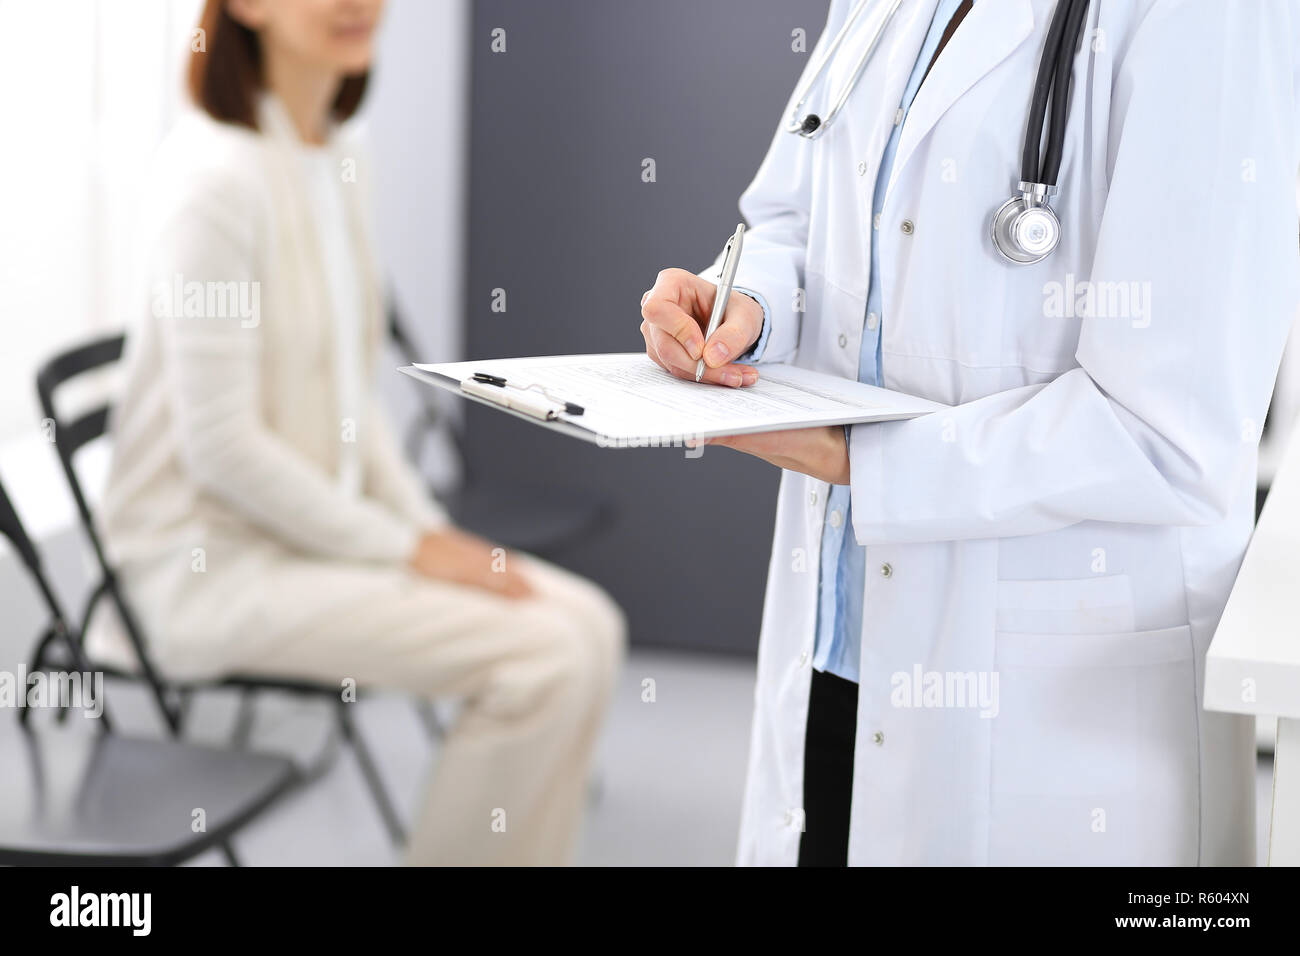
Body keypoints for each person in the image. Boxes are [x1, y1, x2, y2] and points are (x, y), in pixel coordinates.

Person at [640, 0, 1300, 865]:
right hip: (837, 646)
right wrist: (747, 309)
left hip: (1043, 711)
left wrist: (862, 459)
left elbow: (1171, 435)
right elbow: (796, 215)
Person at [89, 0, 624, 866]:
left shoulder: (337, 160)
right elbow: (222, 451)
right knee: (545, 659)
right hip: (209, 569)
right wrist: (407, 551)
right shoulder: (212, 182)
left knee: (589, 627)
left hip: (311, 539)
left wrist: (429, 534)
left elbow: (353, 397)